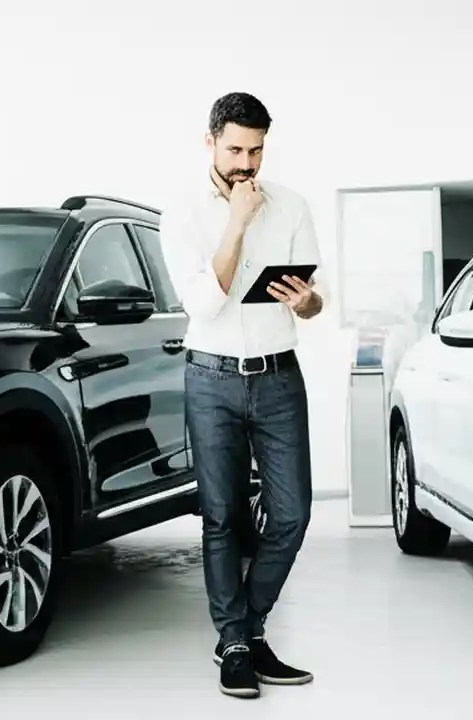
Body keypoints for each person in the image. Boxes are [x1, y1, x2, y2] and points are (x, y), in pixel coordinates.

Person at [159, 91, 325, 699]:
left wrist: (309, 302)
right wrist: (237, 221)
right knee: (223, 517)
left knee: (293, 513)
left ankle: (248, 630)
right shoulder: (180, 214)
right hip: (211, 379)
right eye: (234, 150)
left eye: (256, 151)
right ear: (210, 143)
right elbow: (204, 303)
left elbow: (313, 298)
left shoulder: (295, 206)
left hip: (279, 375)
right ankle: (235, 644)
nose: (246, 164)